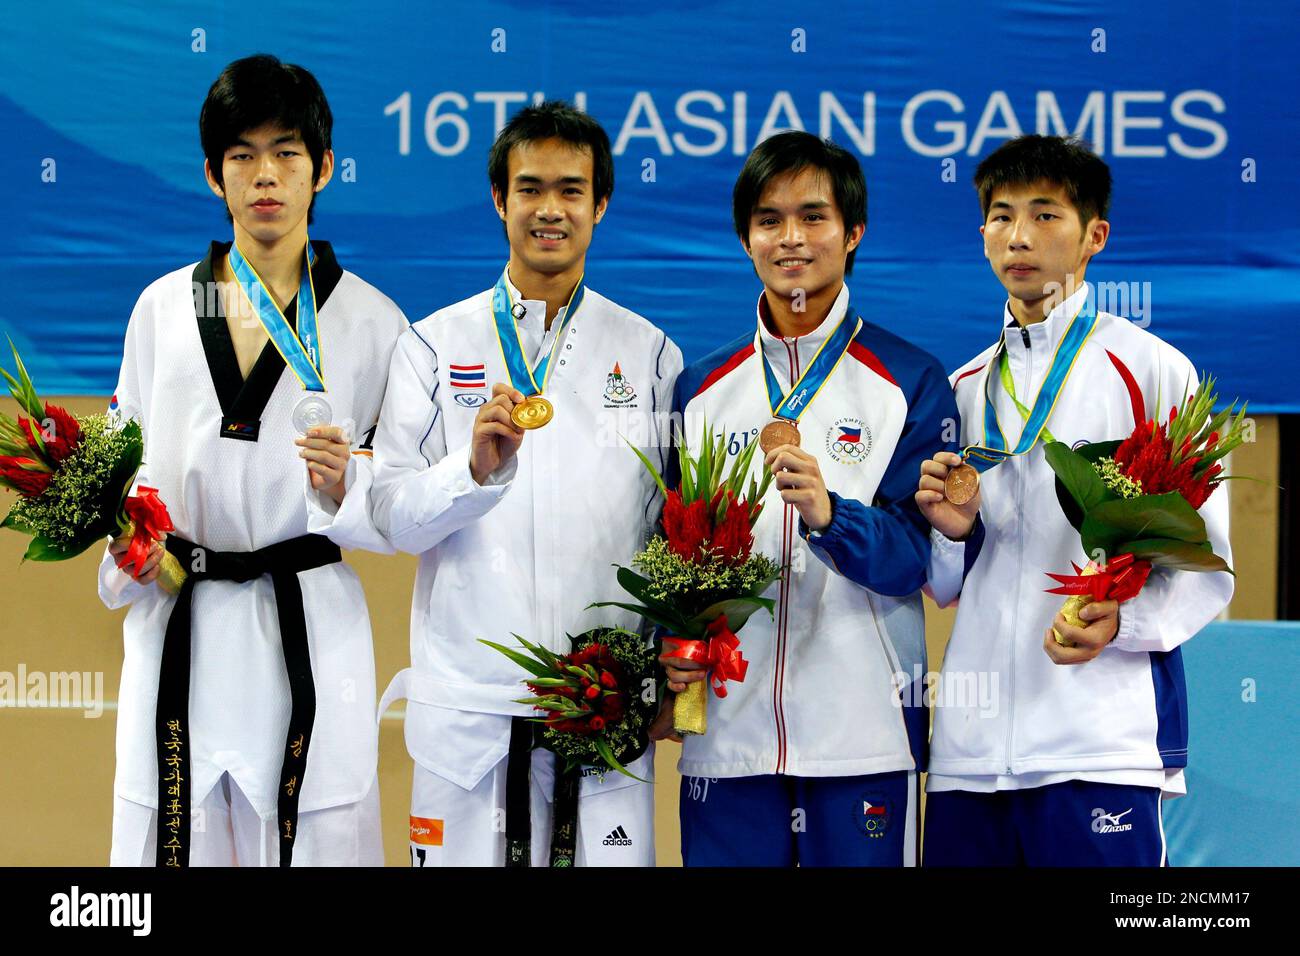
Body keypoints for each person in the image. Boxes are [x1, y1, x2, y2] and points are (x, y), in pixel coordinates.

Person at [98, 54, 407, 866]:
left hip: (307, 624)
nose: (265, 175)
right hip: (179, 623)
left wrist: (353, 485)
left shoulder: (376, 322)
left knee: (320, 841)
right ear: (212, 174)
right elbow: (118, 469)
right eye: (242, 155)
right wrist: (125, 540)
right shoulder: (162, 309)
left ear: (325, 168)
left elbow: (403, 500)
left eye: (287, 152)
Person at [369, 100, 682, 867]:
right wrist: (470, 473)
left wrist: (665, 665)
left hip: (603, 717)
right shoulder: (432, 346)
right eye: (531, 188)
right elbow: (389, 518)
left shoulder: (648, 355)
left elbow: (676, 538)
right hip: (469, 721)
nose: (550, 209)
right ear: (499, 199)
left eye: (572, 190)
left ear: (600, 204)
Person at [916, 134, 1233, 866]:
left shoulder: (1152, 371)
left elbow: (1206, 560)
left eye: (1046, 214)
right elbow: (940, 582)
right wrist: (953, 535)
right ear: (982, 234)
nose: (1019, 236)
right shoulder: (964, 389)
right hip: (971, 750)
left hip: (1100, 741)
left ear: (1095, 235)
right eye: (1000, 216)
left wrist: (1122, 621)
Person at [660, 130, 960, 866]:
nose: (791, 238)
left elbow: (919, 560)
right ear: (744, 237)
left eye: (814, 217)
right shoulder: (700, 391)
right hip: (727, 739)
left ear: (853, 231)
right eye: (769, 220)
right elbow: (673, 561)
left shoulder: (910, 381)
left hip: (863, 735)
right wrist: (670, 662)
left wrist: (831, 518)